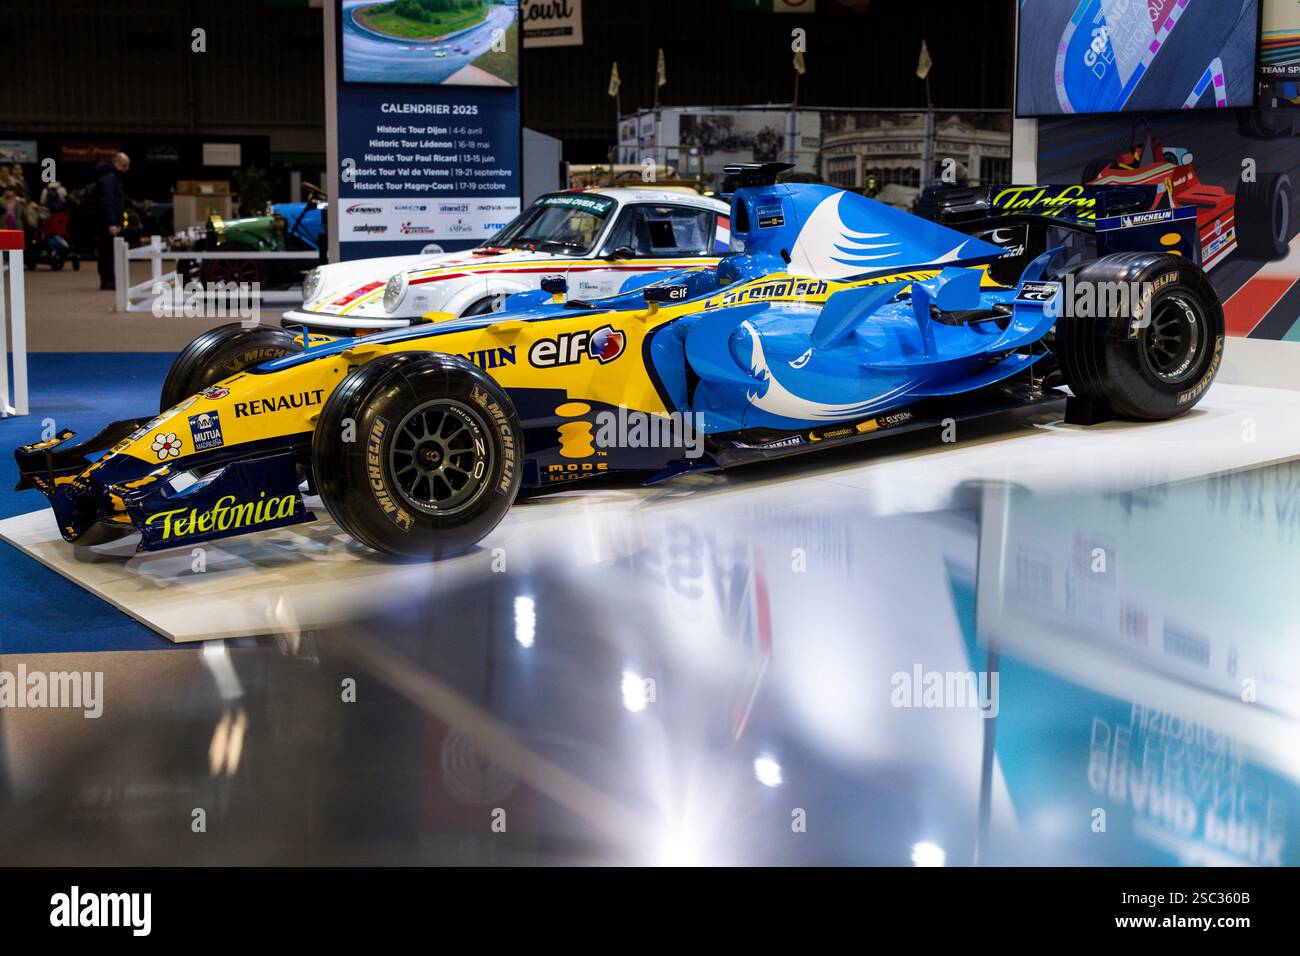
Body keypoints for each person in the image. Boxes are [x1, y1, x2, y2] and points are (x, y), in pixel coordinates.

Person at [92, 151, 129, 290]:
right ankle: (107, 280)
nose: (126, 169)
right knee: (107, 251)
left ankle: (109, 279)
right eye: (125, 166)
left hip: (109, 221)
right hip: (107, 222)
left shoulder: (112, 177)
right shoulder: (108, 179)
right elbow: (107, 202)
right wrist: (112, 222)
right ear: (117, 164)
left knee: (109, 251)